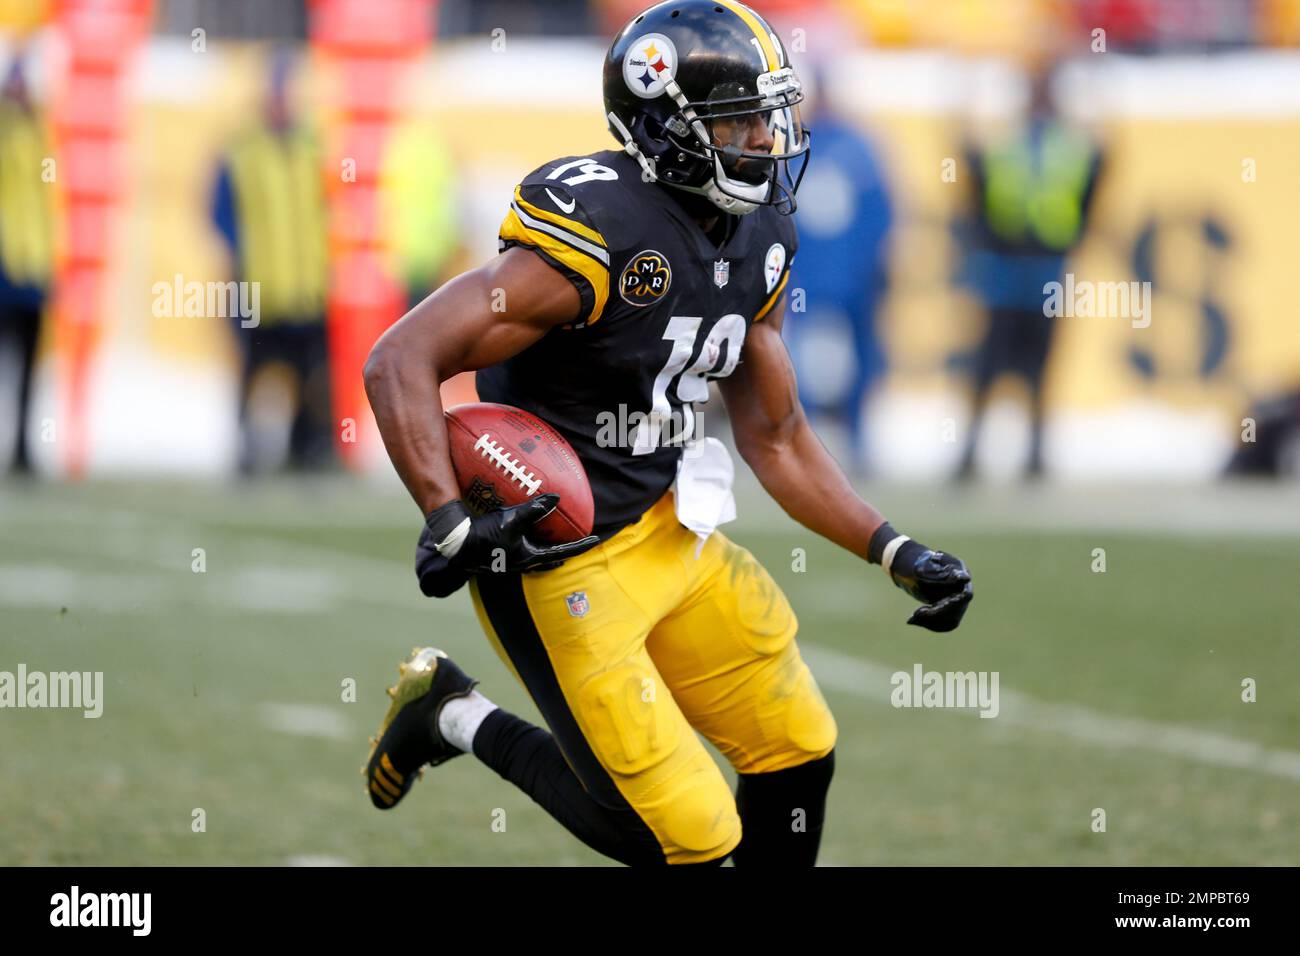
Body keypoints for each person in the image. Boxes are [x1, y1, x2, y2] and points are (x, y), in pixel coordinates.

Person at [361, 0, 973, 867]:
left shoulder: (761, 233)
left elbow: (777, 437)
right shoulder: (598, 233)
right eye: (738, 120)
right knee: (682, 833)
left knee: (797, 745)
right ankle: (453, 714)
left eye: (768, 115)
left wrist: (893, 548)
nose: (765, 139)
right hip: (557, 555)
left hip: (669, 527)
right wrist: (447, 518)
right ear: (666, 128)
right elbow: (401, 357)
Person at [955, 59, 1104, 480]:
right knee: (989, 364)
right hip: (1008, 268)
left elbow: (1093, 185)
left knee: (1038, 366)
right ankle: (972, 451)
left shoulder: (1062, 146)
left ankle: (1034, 452)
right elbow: (978, 183)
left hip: (1045, 269)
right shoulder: (1015, 143)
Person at [210, 50, 332, 472]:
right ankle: (247, 451)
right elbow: (221, 214)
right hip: (257, 286)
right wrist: (240, 256)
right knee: (252, 373)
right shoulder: (241, 151)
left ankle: (304, 451)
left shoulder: (315, 148)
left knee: (310, 375)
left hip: (306, 286)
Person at [0, 55, 53, 474]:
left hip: (32, 269)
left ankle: (22, 447)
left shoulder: (40, 136)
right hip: (4, 268)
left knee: (30, 371)